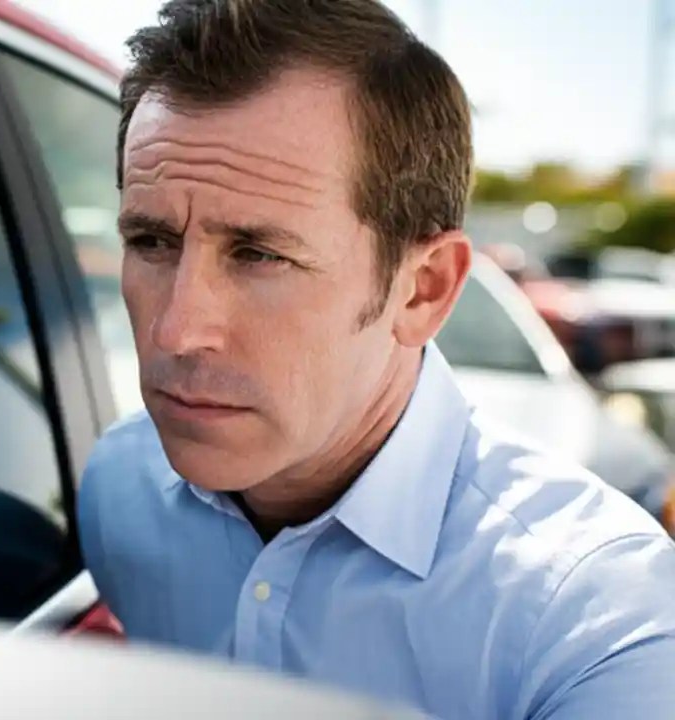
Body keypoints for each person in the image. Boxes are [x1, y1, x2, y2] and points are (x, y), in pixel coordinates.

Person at [76, 1, 675, 718]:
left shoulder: (592, 624)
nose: (176, 331)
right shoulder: (120, 490)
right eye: (151, 242)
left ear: (424, 290)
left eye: (260, 255)